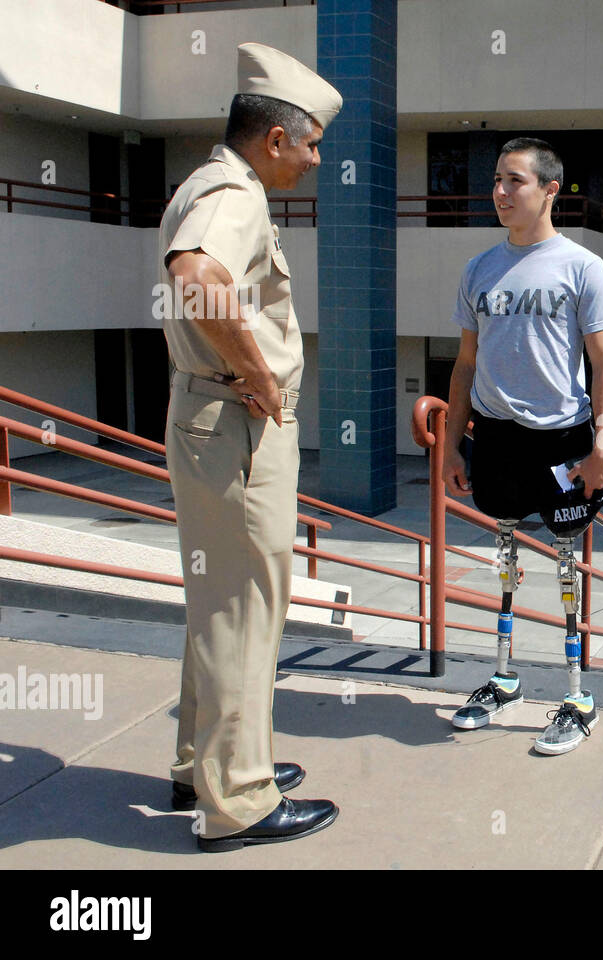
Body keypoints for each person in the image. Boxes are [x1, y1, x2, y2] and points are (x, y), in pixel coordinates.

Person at [159, 42, 341, 851]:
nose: (313, 160)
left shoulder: (203, 181)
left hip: (204, 416)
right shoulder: (234, 192)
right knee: (248, 610)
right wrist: (260, 376)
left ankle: (203, 763)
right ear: (274, 140)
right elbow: (197, 275)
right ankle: (240, 800)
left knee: (218, 603)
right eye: (310, 144)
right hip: (237, 426)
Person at [442, 137, 603, 755]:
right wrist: (449, 450)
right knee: (505, 559)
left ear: (550, 190)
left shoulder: (581, 267)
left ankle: (577, 697)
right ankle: (503, 678)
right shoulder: (478, 268)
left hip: (563, 441)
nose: (500, 192)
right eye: (496, 179)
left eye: (514, 181)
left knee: (567, 564)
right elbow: (464, 366)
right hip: (495, 438)